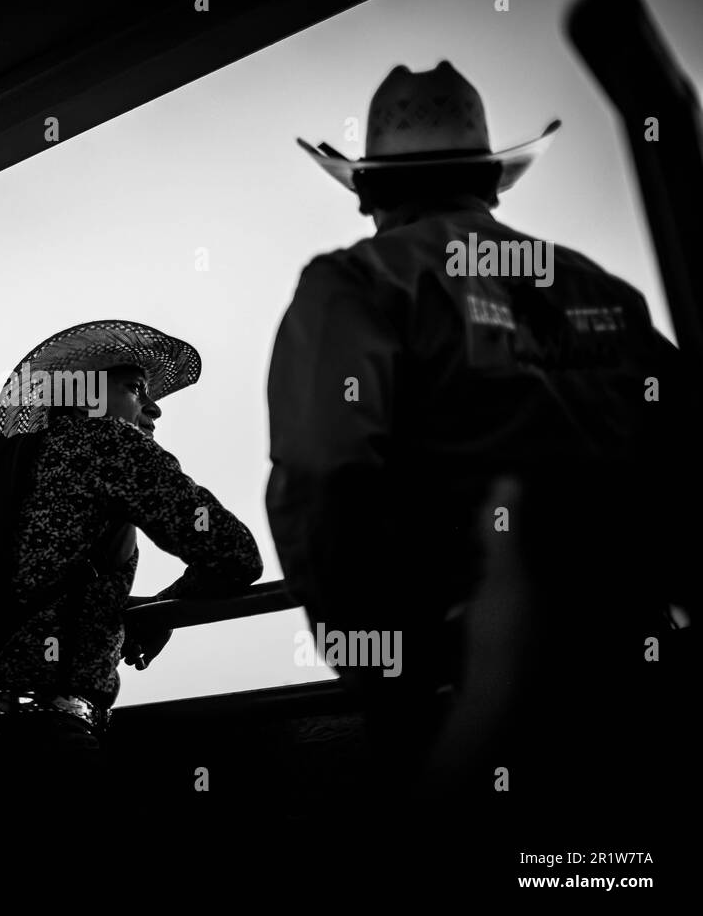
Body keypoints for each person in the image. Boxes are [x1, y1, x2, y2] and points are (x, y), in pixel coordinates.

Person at [266, 61, 699, 828]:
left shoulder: (356, 284)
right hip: (646, 683)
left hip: (471, 696)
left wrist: (390, 679)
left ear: (369, 191)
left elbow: (325, 475)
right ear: (491, 179)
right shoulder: (604, 291)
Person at [0, 319, 263, 827]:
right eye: (135, 388)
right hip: (48, 747)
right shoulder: (108, 445)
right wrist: (163, 614)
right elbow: (235, 554)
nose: (154, 405)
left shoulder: (0, 469)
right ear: (83, 394)